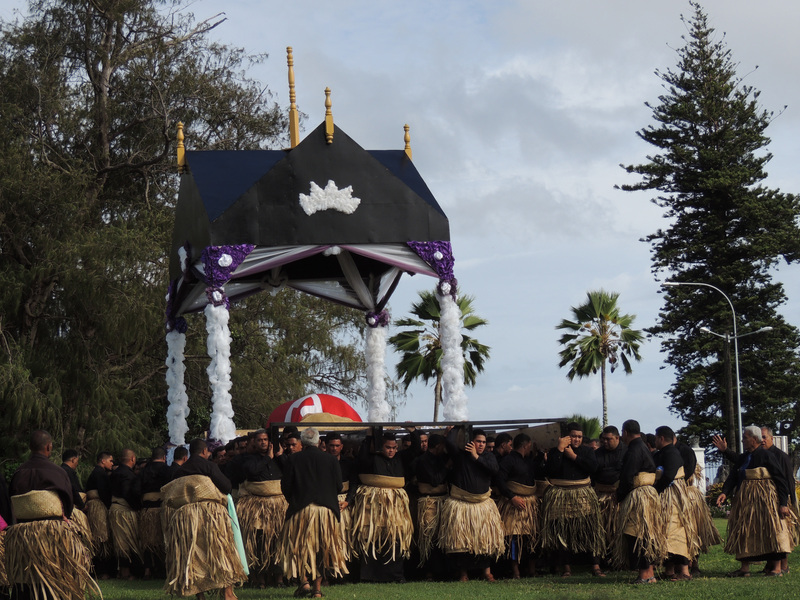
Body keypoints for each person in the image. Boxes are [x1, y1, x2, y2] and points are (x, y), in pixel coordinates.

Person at [6, 430, 99, 599]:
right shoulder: (57, 472)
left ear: (30, 448)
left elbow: (12, 503)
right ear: (49, 447)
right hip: (52, 536)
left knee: (24, 580)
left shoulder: (18, 473)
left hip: (23, 536)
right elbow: (68, 506)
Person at [163, 438, 246, 599]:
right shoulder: (209, 466)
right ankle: (227, 593)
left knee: (192, 555)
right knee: (222, 552)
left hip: (186, 518)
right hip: (210, 515)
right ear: (204, 452)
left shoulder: (180, 470)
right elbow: (227, 487)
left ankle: (200, 596)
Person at [277, 428, 348, 598]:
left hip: (301, 511)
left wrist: (295, 499)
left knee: (299, 548)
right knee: (323, 549)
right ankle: (317, 589)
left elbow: (286, 486)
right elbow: (339, 486)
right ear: (318, 442)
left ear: (302, 442)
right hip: (326, 512)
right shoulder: (331, 460)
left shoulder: (293, 459)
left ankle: (304, 582)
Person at [717, 425, 795, 577]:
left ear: (754, 439)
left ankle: (777, 568)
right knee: (745, 531)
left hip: (765, 500)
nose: (742, 440)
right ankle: (744, 568)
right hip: (747, 501)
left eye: (745, 438)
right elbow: (734, 475)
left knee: (771, 530)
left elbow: (781, 480)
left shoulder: (767, 456)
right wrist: (724, 492)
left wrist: (783, 504)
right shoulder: (745, 456)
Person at [439, 427, 504, 582]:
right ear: (471, 442)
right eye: (478, 442)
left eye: (483, 442)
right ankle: (463, 574)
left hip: (483, 506)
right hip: (462, 505)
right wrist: (456, 426)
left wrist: (476, 457)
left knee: (485, 540)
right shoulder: (460, 456)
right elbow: (449, 442)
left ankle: (487, 572)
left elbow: (494, 470)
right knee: (462, 541)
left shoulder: (489, 457)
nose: (481, 445)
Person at [541, 422, 604, 577]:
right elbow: (550, 470)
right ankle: (566, 568)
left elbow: (593, 468)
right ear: (566, 437)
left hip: (583, 495)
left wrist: (574, 457)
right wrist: (561, 450)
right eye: (574, 436)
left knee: (592, 530)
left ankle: (596, 566)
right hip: (561, 495)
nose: (577, 439)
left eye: (579, 437)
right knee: (563, 531)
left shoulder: (587, 451)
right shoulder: (556, 452)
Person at [352, 431, 413, 582]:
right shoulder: (371, 459)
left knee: (395, 537)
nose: (391, 450)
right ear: (381, 447)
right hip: (372, 504)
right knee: (371, 536)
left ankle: (396, 575)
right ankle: (369, 576)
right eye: (387, 447)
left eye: (393, 447)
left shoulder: (400, 459)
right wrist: (369, 437)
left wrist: (413, 431)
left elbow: (415, 449)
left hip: (395, 506)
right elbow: (362, 458)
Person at [613, 420, 665, 584]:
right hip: (648, 495)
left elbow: (628, 477)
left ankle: (644, 574)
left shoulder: (634, 450)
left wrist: (619, 496)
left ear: (625, 432)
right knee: (645, 534)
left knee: (637, 534)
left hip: (639, 496)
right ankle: (649, 573)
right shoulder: (642, 446)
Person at [237, 429, 286, 587]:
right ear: (254, 442)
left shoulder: (278, 458)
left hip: (277, 506)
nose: (263, 442)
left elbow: (289, 469)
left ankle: (278, 578)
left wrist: (278, 456)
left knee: (277, 541)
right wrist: (267, 458)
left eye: (265, 439)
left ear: (270, 442)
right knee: (259, 541)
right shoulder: (248, 459)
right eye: (259, 440)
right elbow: (252, 471)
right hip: (257, 507)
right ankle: (261, 578)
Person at [653, 425, 696, 581]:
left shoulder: (671, 453)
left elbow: (669, 475)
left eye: (656, 438)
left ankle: (684, 571)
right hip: (666, 496)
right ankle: (669, 570)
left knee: (676, 532)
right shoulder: (664, 453)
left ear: (661, 438)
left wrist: (655, 490)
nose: (655, 440)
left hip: (672, 498)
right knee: (665, 533)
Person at [496, 433, 538, 579]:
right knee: (512, 537)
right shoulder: (507, 461)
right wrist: (512, 497)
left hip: (529, 505)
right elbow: (499, 481)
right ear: (526, 445)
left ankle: (531, 570)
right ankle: (516, 572)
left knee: (532, 537)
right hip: (512, 505)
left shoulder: (529, 461)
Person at [761, 426, 797, 574]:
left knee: (782, 532)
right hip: (768, 499)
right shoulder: (762, 455)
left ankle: (784, 565)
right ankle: (771, 564)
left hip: (781, 498)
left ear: (771, 438)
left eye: (764, 437)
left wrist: (789, 502)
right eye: (760, 438)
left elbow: (788, 479)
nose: (762, 440)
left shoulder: (780, 456)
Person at [414, 433, 449, 581]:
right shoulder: (422, 461)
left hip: (443, 500)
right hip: (429, 503)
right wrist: (447, 467)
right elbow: (435, 480)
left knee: (443, 536)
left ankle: (443, 570)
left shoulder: (441, 458)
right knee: (429, 536)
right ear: (438, 446)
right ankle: (429, 571)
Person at [593, 425, 625, 566]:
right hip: (601, 496)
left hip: (618, 496)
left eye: (608, 439)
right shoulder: (598, 453)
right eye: (603, 439)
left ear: (617, 438)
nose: (605, 442)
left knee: (618, 529)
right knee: (602, 529)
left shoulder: (626, 451)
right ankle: (601, 561)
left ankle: (620, 559)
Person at [139, 447, 172, 579]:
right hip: (162, 510)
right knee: (163, 539)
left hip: (146, 510)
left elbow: (137, 489)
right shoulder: (167, 470)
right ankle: (164, 568)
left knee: (148, 541)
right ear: (164, 457)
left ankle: (148, 569)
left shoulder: (143, 471)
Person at [109, 448, 142, 580]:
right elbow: (128, 493)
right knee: (128, 541)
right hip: (124, 512)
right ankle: (126, 572)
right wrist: (137, 507)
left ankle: (123, 570)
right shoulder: (127, 475)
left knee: (120, 542)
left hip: (115, 510)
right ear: (133, 459)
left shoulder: (115, 473)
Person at [85, 451, 114, 577]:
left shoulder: (96, 472)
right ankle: (102, 571)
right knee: (101, 537)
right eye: (111, 461)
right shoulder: (100, 473)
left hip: (94, 507)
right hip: (99, 507)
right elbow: (104, 493)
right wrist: (109, 506)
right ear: (103, 461)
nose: (112, 464)